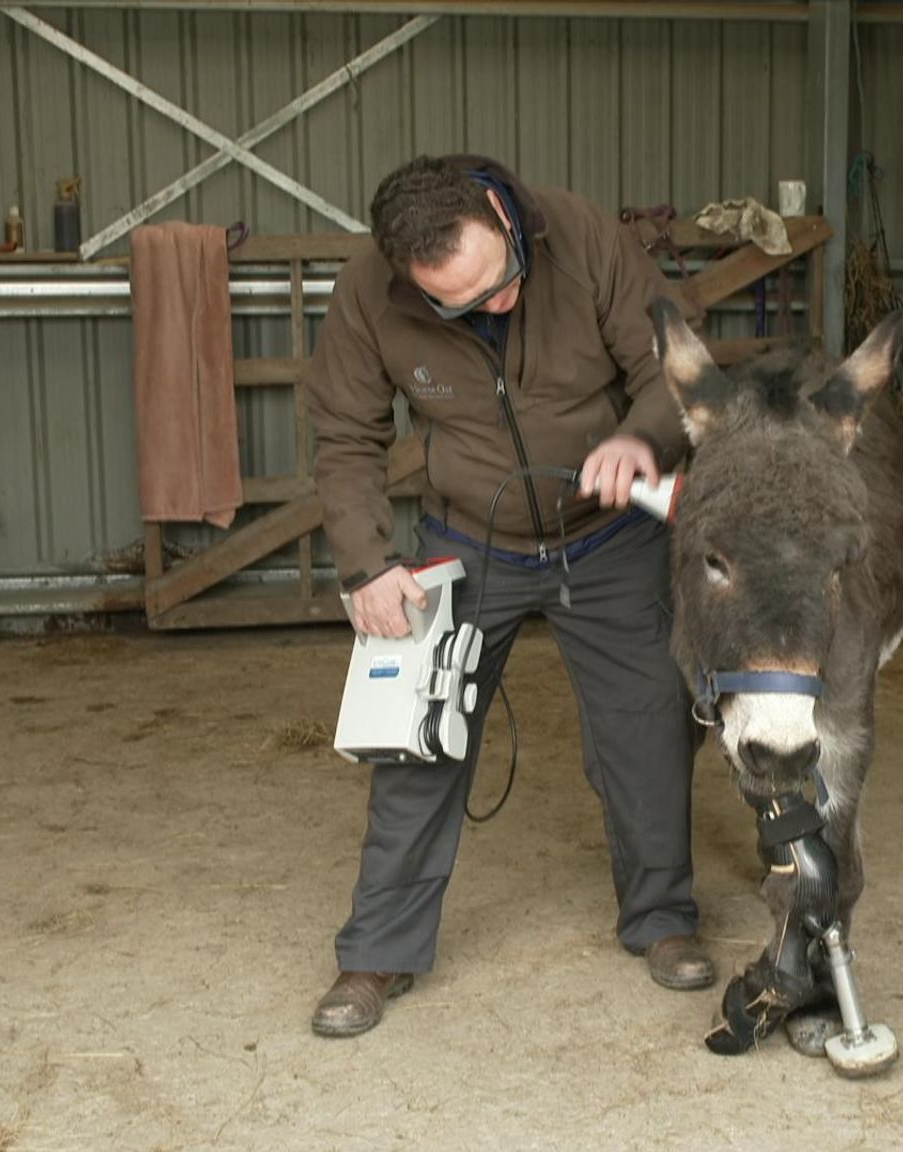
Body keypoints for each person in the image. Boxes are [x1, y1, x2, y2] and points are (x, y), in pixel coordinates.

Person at [298, 154, 714, 1038]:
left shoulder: (583, 232)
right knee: (416, 745)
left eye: (501, 281)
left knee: (647, 725)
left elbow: (674, 366)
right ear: (409, 277)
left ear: (500, 215)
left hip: (609, 530)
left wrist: (644, 439)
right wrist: (367, 565)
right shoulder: (370, 293)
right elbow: (345, 430)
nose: (496, 306)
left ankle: (664, 919)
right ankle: (378, 950)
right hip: (467, 537)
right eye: (461, 303)